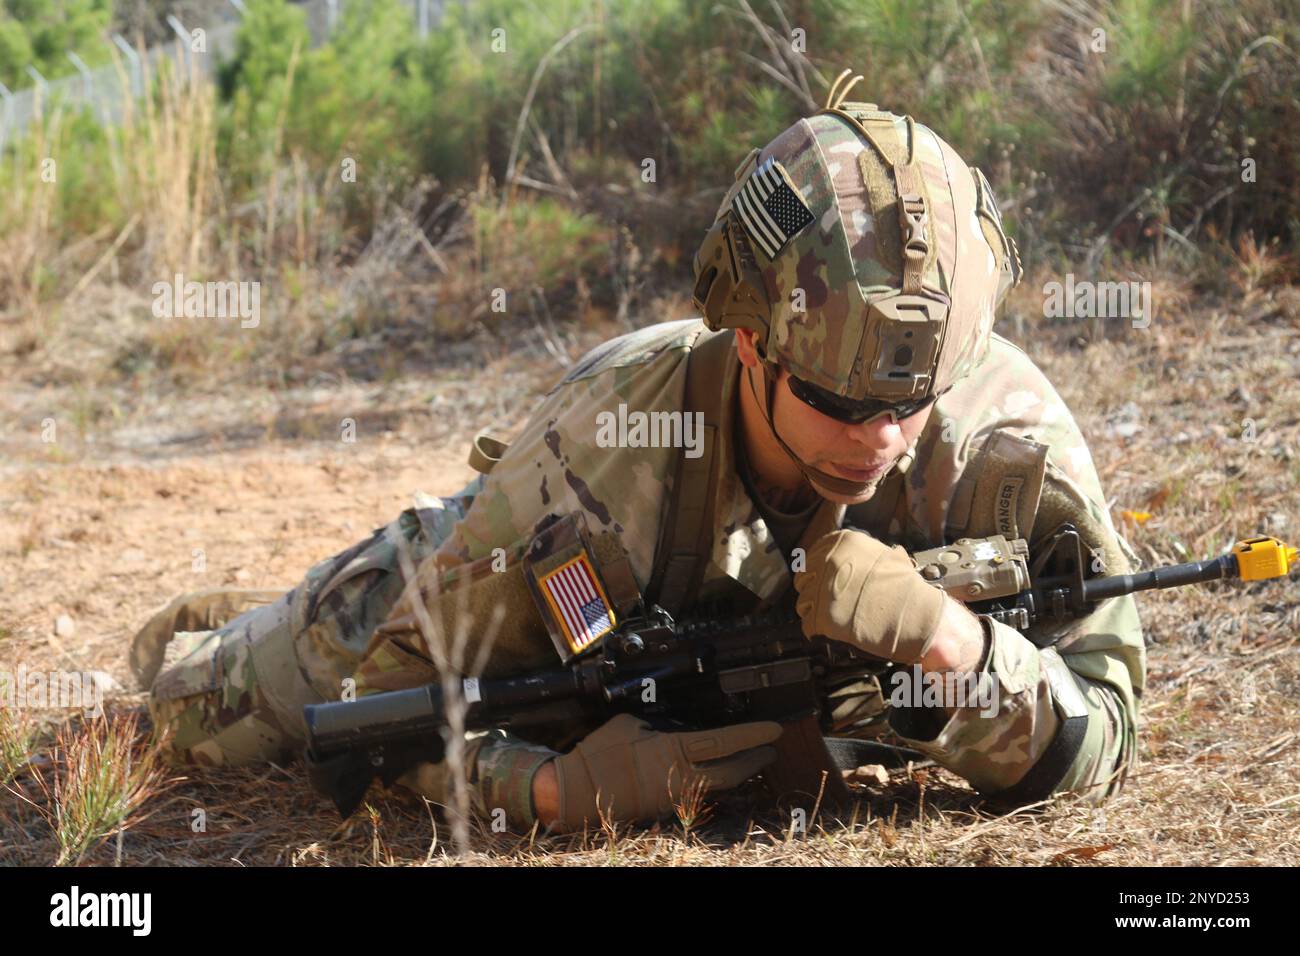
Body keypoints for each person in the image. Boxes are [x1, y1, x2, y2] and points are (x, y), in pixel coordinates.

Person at [130, 77, 1145, 834]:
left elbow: (1105, 730)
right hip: (484, 591)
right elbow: (387, 696)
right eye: (837, 400)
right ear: (751, 341)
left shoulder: (1009, 445)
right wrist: (546, 788)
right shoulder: (607, 449)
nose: (880, 437)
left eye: (911, 403)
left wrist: (955, 651)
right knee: (186, 722)